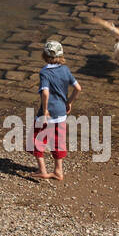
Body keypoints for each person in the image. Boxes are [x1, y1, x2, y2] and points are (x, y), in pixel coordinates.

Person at [30, 39, 81, 181]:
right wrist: (69, 102)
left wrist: (45, 110)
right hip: (61, 113)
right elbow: (78, 88)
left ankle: (42, 170)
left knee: (36, 139)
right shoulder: (65, 69)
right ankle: (58, 171)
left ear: (44, 56)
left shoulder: (44, 72)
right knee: (58, 141)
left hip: (48, 113)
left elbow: (45, 93)